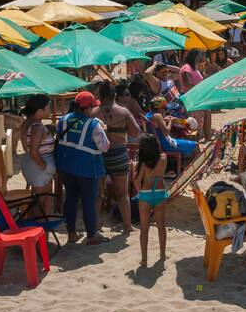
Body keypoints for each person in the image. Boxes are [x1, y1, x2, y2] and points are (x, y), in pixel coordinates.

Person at [55, 90, 110, 246]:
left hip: (66, 166)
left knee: (71, 198)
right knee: (88, 201)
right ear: (88, 108)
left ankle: (71, 233)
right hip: (87, 168)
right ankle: (91, 236)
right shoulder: (94, 125)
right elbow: (105, 147)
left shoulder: (63, 120)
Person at [98, 81, 138, 237]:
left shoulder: (93, 112)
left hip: (98, 154)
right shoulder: (123, 112)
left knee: (97, 194)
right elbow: (135, 132)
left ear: (99, 96)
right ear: (115, 95)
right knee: (122, 194)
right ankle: (127, 227)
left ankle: (96, 226)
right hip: (118, 152)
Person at [133, 135, 169, 267]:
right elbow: (158, 171)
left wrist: (134, 169)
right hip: (160, 193)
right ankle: (162, 255)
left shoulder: (141, 165)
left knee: (144, 229)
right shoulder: (163, 158)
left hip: (145, 196)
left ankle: (144, 260)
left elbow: (136, 183)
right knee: (161, 227)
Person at [19, 99, 56, 215]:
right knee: (41, 200)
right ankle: (40, 226)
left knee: (43, 197)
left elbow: (27, 148)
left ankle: (44, 225)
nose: (50, 110)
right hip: (39, 167)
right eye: (47, 107)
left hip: (33, 165)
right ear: (39, 111)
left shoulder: (27, 123)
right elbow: (34, 152)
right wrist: (45, 166)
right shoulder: (37, 127)